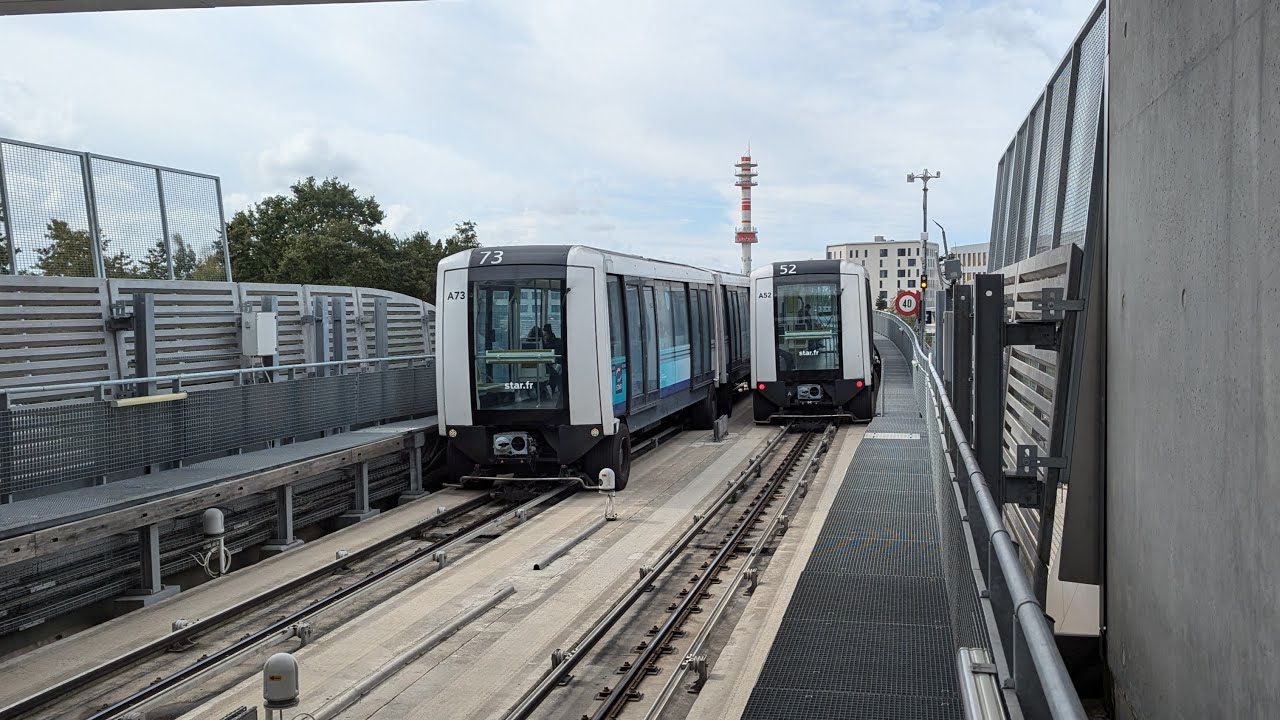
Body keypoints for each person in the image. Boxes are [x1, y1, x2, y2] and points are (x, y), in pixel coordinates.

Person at [540, 324, 564, 400]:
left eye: (545, 335)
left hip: (555, 363)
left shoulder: (552, 343)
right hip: (553, 363)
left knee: (554, 374)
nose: (544, 338)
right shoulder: (556, 341)